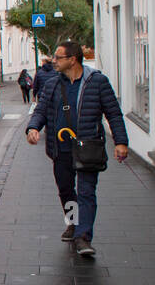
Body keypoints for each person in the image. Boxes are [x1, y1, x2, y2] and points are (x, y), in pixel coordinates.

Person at [26, 40, 129, 258]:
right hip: (60, 148)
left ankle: (83, 236)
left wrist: (121, 142)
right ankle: (73, 224)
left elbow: (113, 113)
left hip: (87, 146)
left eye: (58, 57)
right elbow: (41, 109)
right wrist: (33, 128)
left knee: (86, 192)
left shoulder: (97, 82)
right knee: (66, 190)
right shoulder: (53, 84)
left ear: (72, 59)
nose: (54, 61)